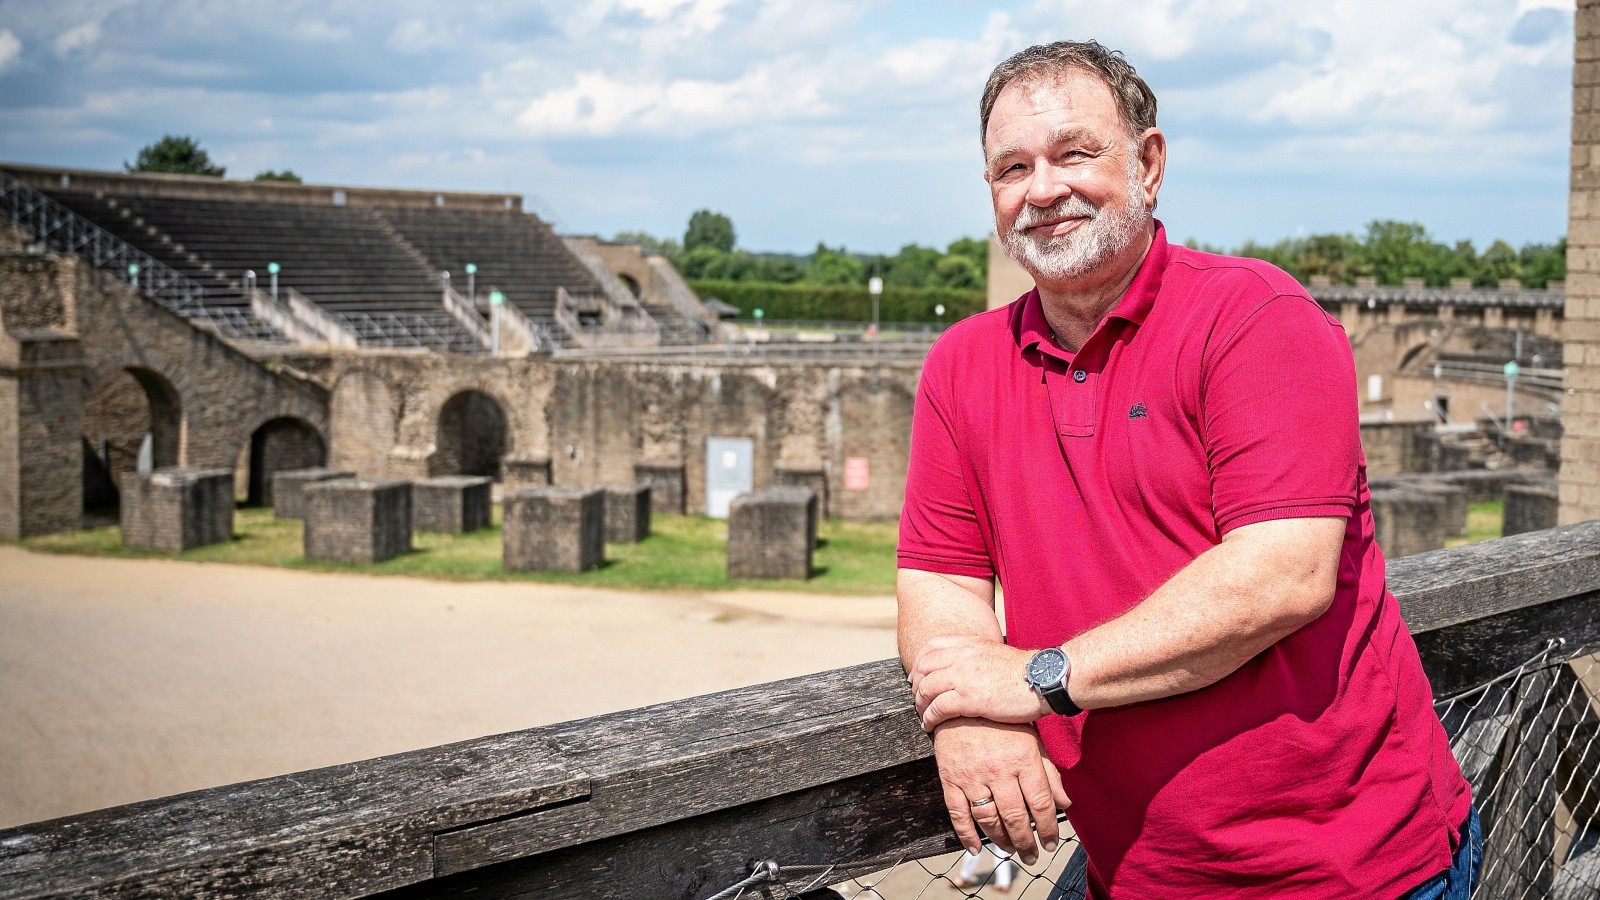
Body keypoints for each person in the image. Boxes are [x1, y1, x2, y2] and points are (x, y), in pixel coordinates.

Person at [897, 41, 1479, 898]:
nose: (1043, 188)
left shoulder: (1255, 318)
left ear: (1150, 162)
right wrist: (970, 716)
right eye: (1011, 167)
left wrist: (1034, 679)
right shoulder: (963, 365)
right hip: (1134, 871)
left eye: (1074, 153)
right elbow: (941, 576)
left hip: (1346, 867)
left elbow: (1280, 577)